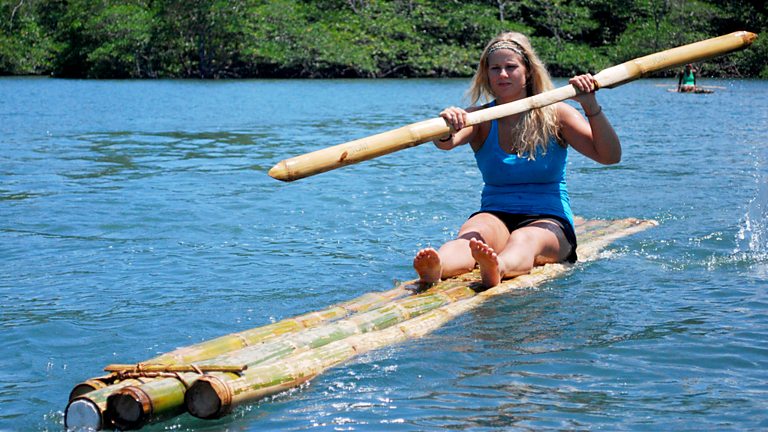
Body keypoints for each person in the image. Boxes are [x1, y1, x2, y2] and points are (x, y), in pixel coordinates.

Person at [412, 31, 621, 288]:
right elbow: (446, 143)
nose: (502, 74)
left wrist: (590, 106)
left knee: (524, 238)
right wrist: (447, 126)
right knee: (470, 237)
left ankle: (499, 267)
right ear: (486, 74)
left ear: (528, 72)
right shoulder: (479, 118)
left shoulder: (558, 114)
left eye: (510, 67)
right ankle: (438, 266)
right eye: (495, 68)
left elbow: (610, 156)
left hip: (548, 217)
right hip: (496, 212)